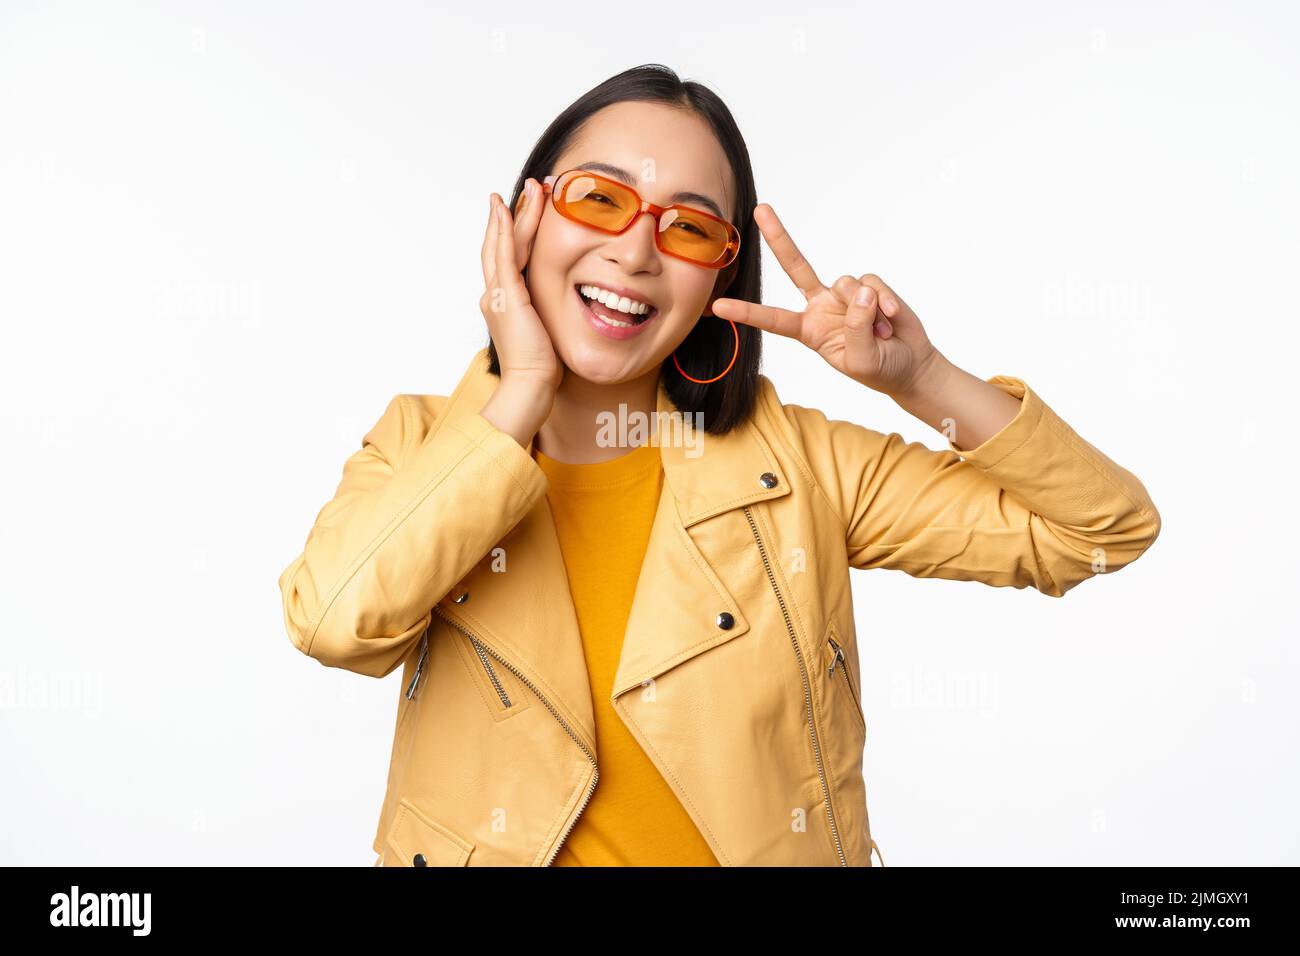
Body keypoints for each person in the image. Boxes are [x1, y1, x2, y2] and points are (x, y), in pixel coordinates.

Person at [278, 63, 1161, 867]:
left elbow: (1098, 530)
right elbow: (333, 623)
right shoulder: (419, 445)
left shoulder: (799, 465)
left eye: (691, 227)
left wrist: (920, 377)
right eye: (599, 199)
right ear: (524, 215)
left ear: (721, 278)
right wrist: (524, 393)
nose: (635, 251)